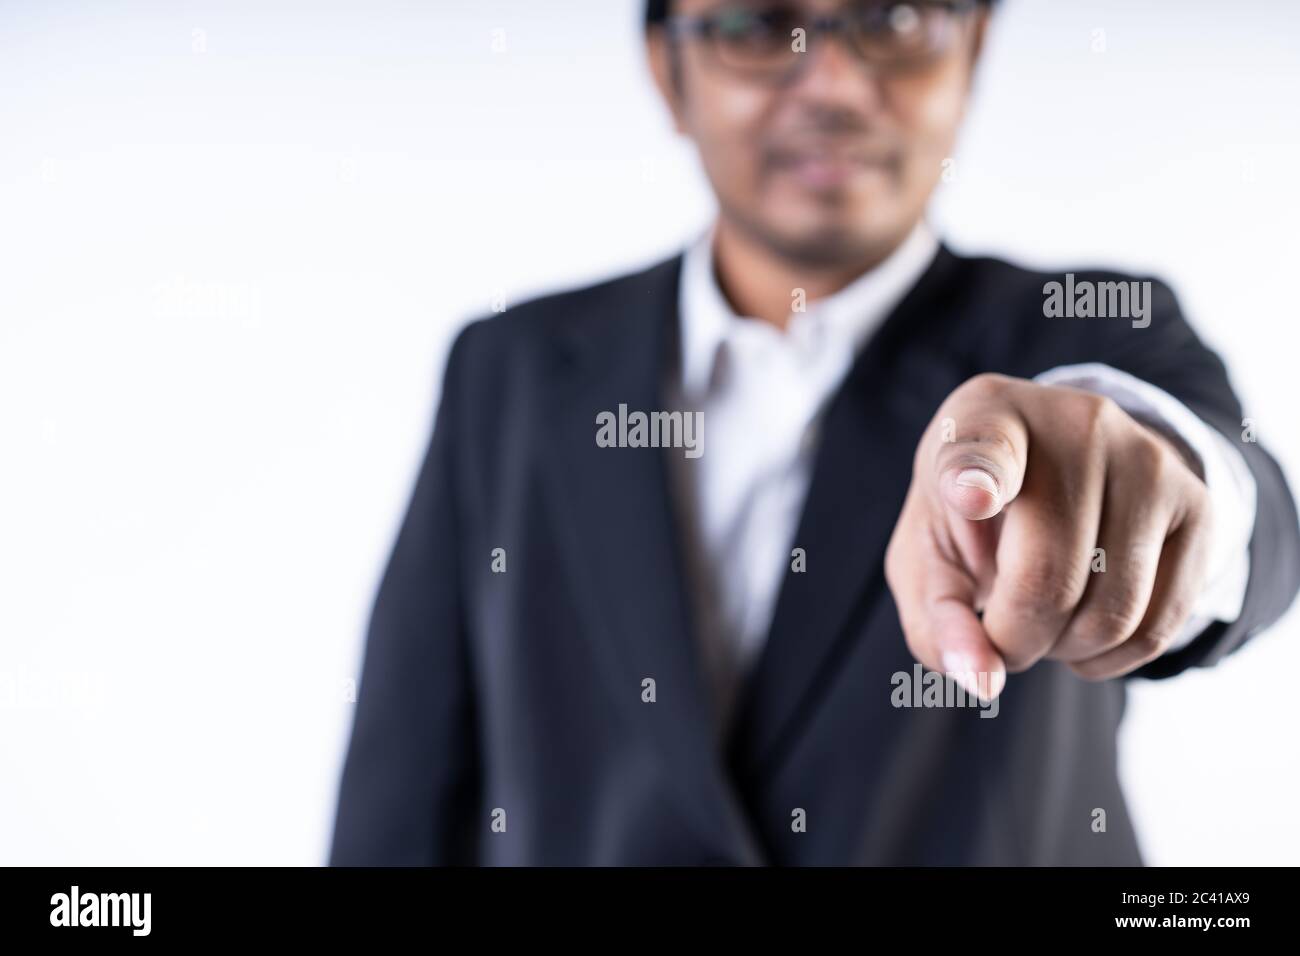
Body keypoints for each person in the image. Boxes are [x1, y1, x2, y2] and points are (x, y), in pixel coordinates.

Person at [329, 0, 1300, 865]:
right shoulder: (512, 368)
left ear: (972, 51)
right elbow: (404, 784)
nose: (833, 82)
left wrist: (1159, 489)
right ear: (669, 71)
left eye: (895, 21)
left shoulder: (1091, 326)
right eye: (756, 27)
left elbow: (1244, 513)